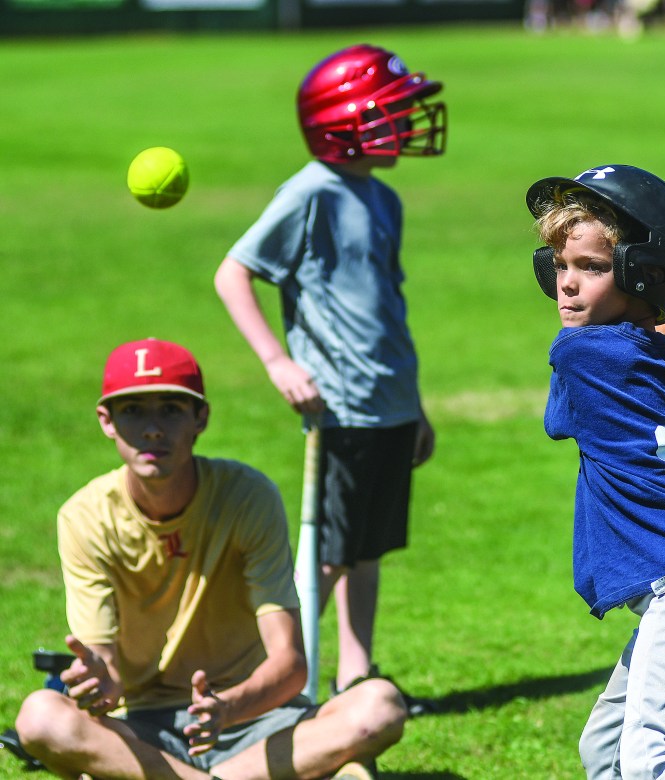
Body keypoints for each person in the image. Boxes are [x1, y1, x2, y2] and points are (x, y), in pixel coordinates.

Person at [14, 338, 406, 780]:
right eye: (134, 411)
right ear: (107, 421)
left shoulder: (248, 496)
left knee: (380, 704)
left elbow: (291, 663)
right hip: (145, 728)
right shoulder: (84, 516)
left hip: (255, 717)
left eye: (171, 410)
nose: (153, 429)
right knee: (40, 716)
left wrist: (229, 707)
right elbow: (109, 675)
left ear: (201, 417)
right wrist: (100, 684)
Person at [214, 44, 444, 703]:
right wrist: (278, 361)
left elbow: (388, 311)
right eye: (392, 114)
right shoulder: (310, 191)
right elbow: (234, 273)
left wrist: (416, 404)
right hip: (341, 404)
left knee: (367, 547)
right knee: (329, 551)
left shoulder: (384, 198)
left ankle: (354, 674)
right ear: (344, 122)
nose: (405, 126)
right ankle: (269, 677)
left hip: (388, 400)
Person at [528, 164, 665, 779]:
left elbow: (559, 421)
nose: (568, 286)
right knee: (603, 753)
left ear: (645, 274)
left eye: (593, 268)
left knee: (649, 759)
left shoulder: (578, 352)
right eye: (561, 266)